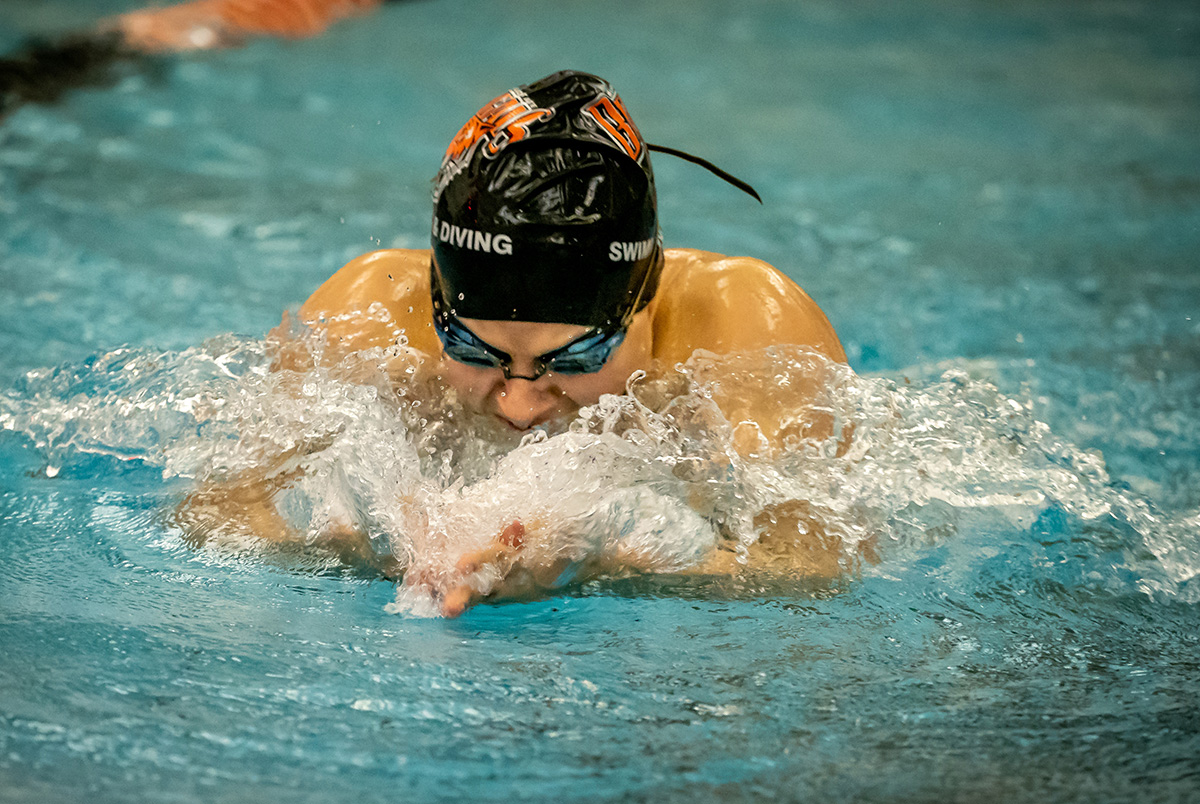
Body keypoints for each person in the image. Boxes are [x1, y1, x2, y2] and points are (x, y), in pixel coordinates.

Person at [182, 70, 851, 616]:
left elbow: (819, 567)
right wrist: (348, 534)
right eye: (474, 351)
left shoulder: (746, 330)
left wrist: (614, 549)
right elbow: (212, 514)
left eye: (577, 358)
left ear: (648, 297)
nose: (521, 406)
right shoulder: (370, 315)